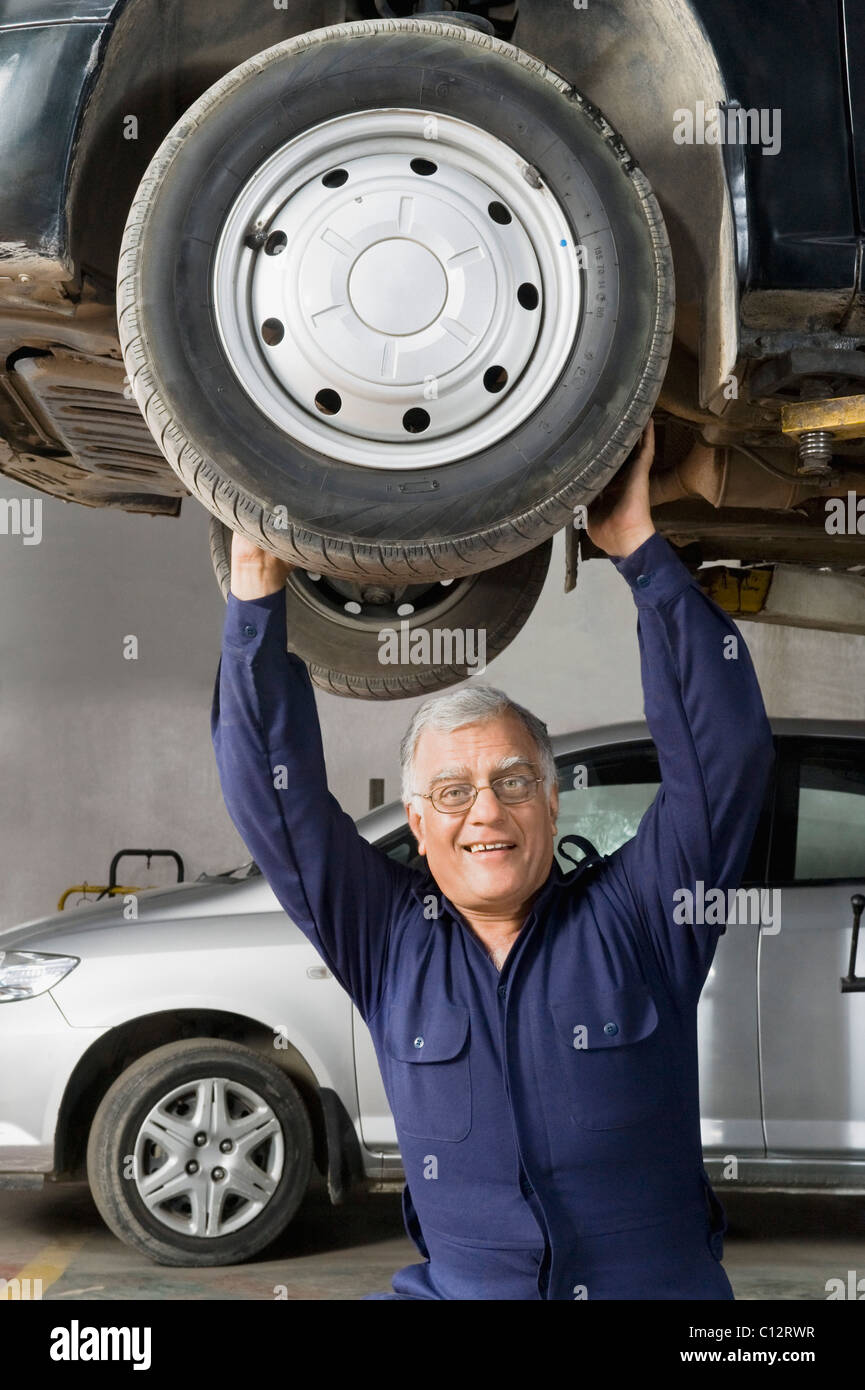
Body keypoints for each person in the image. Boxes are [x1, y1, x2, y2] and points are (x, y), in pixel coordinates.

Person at [210, 420, 774, 1300]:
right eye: (452, 793)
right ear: (419, 826)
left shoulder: (639, 923)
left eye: (514, 782)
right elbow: (272, 805)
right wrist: (255, 594)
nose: (486, 811)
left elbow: (724, 759)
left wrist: (637, 552)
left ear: (552, 805)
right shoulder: (388, 942)